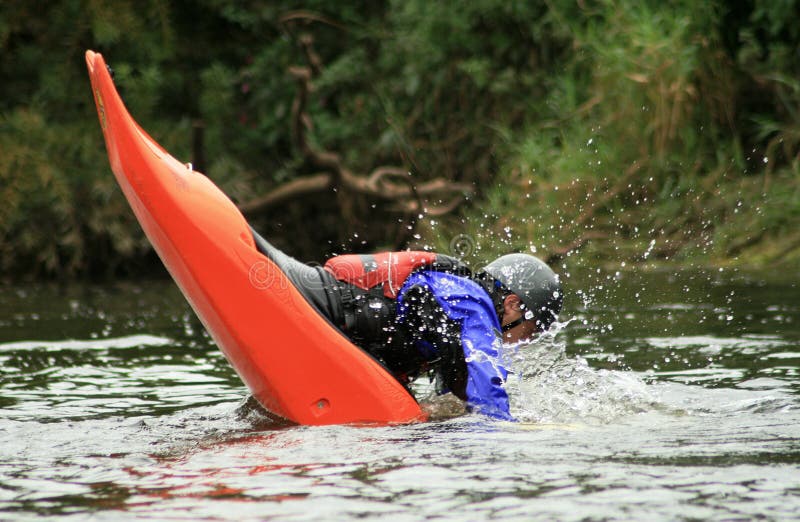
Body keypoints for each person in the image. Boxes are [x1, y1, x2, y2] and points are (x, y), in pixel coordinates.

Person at [250, 229, 563, 421]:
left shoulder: (454, 315)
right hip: (318, 304)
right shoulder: (471, 301)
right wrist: (508, 433)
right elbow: (487, 387)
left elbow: (457, 393)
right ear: (511, 305)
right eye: (532, 330)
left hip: (329, 315)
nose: (524, 341)